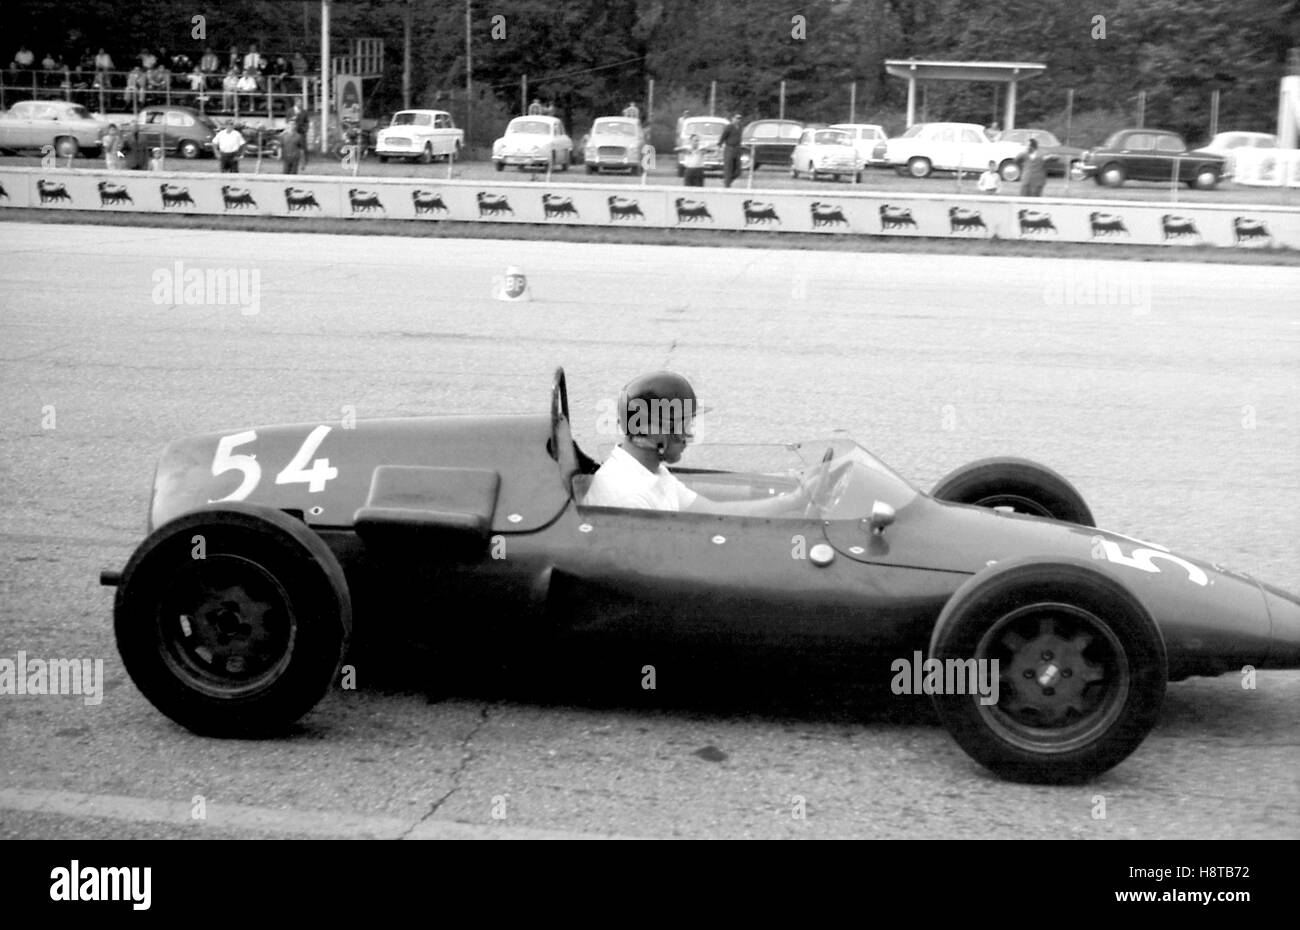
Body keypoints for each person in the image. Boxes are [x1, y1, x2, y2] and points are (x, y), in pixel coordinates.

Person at [583, 372, 841, 515]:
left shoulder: (649, 472)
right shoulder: (629, 497)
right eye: (683, 425)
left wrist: (797, 498)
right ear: (654, 431)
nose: (689, 436)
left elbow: (713, 511)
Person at [719, 112, 743, 188]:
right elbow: (723, 136)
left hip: (737, 149)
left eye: (740, 118)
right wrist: (719, 144)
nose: (738, 120)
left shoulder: (740, 127)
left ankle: (728, 181)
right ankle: (727, 185)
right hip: (729, 149)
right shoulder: (729, 127)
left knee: (738, 171)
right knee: (728, 169)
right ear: (732, 118)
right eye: (737, 118)